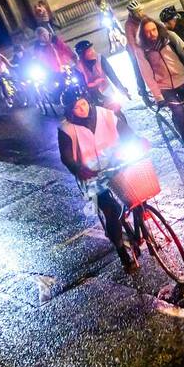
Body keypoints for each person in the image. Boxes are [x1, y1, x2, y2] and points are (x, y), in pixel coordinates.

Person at [57, 88, 140, 273]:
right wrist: (79, 169)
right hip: (92, 176)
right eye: (76, 107)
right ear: (70, 111)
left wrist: (137, 141)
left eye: (83, 104)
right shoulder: (67, 130)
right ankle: (122, 252)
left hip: (117, 165)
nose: (82, 109)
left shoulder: (106, 114)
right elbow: (67, 157)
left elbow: (125, 132)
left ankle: (142, 233)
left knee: (138, 197)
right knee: (112, 211)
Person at [137, 18, 184, 158]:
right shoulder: (143, 51)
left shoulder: (170, 37)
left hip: (183, 79)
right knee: (179, 113)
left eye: (153, 30)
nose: (152, 34)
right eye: (147, 32)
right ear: (143, 35)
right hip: (166, 88)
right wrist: (158, 96)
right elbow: (147, 75)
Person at [74, 39, 131, 113]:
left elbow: (112, 75)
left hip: (107, 91)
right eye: (88, 51)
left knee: (116, 111)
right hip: (92, 97)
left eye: (92, 49)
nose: (92, 52)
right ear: (82, 56)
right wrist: (94, 84)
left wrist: (122, 90)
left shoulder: (100, 58)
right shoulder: (78, 68)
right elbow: (82, 86)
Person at [123, 0, 154, 103]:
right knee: (139, 70)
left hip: (147, 47)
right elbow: (131, 42)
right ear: (132, 13)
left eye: (140, 10)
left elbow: (154, 27)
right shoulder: (129, 24)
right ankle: (143, 93)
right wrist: (138, 54)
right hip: (135, 51)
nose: (140, 13)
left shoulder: (145, 18)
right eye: (137, 12)